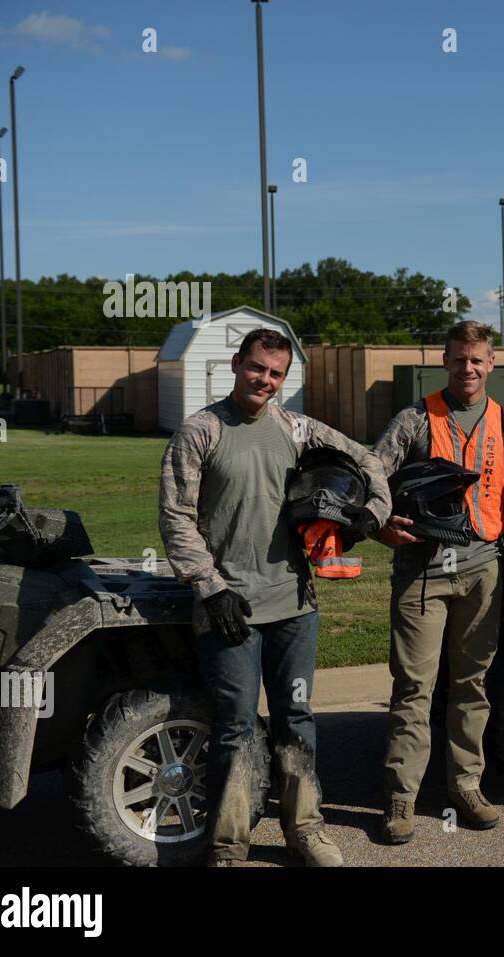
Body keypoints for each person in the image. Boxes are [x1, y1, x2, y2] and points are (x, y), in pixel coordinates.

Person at [160, 328, 391, 866]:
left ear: (286, 380)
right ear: (237, 364)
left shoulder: (296, 428)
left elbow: (372, 462)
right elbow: (175, 518)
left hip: (295, 606)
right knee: (235, 728)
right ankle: (228, 845)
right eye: (257, 368)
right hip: (229, 610)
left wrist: (367, 517)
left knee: (296, 717)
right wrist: (210, 587)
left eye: (276, 374)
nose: (265, 380)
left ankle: (305, 828)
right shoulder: (201, 431)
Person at [372, 320, 504, 844]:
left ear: (491, 364)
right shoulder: (415, 419)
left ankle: (465, 785)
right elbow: (374, 477)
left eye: (478, 360)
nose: (469, 368)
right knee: (414, 688)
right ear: (446, 360)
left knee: (472, 684)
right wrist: (380, 525)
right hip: (423, 572)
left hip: (484, 570)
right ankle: (401, 798)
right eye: (459, 359)